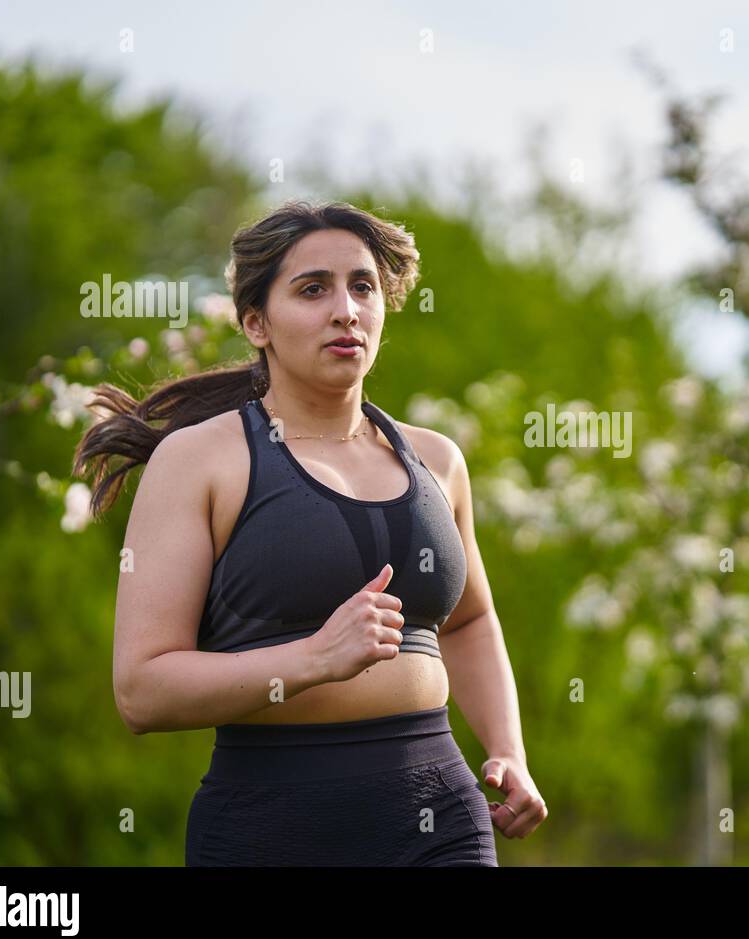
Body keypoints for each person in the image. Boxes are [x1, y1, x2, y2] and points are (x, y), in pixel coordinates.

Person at [74, 199, 546, 865]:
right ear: (255, 322)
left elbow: (468, 622)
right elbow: (142, 691)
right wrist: (314, 659)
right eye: (313, 288)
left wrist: (507, 749)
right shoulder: (201, 462)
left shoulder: (438, 461)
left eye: (363, 286)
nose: (346, 309)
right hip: (270, 824)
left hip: (438, 814)